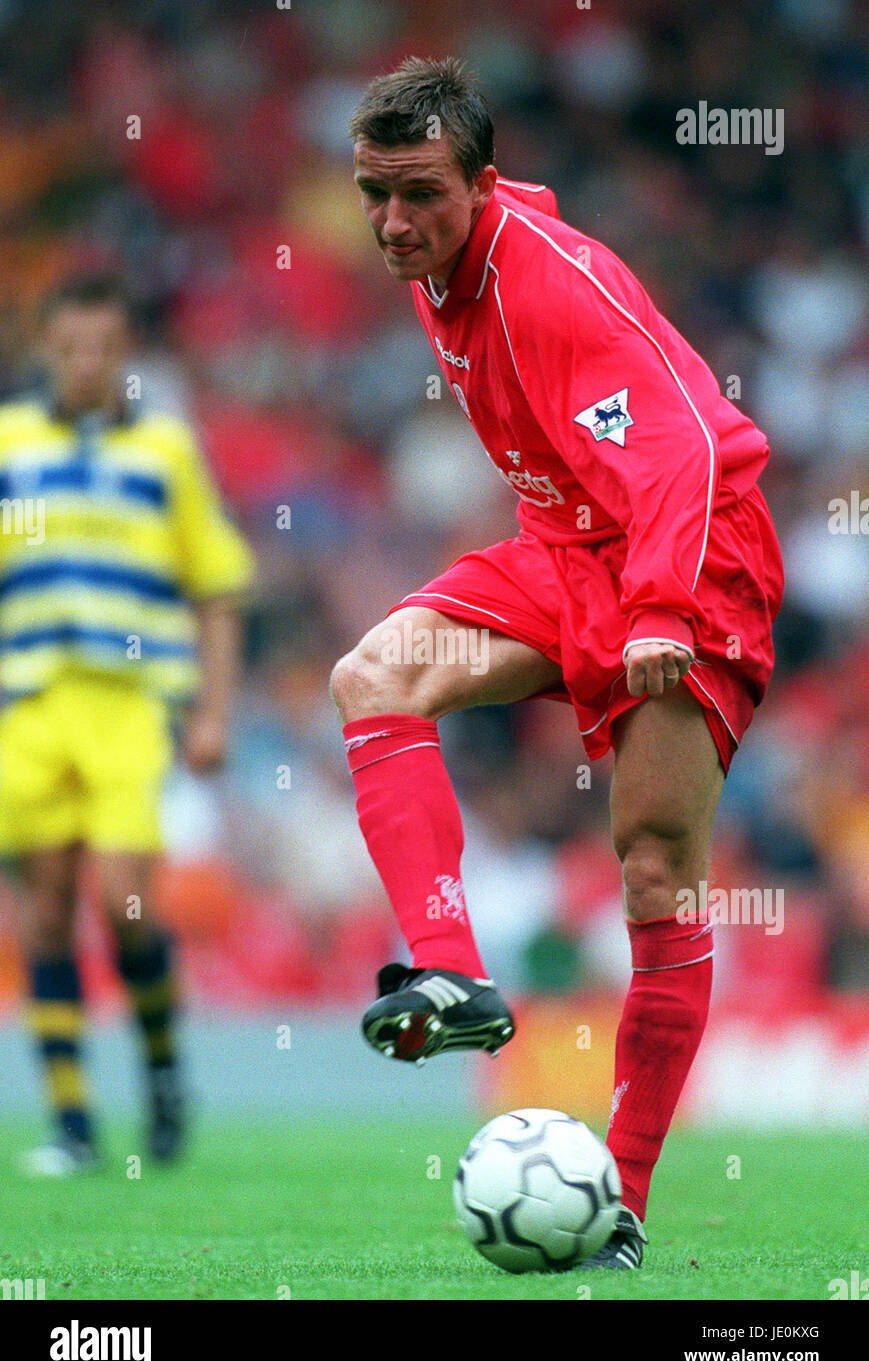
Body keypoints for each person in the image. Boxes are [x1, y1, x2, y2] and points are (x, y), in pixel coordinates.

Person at [331, 57, 785, 1269]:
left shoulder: (548, 281)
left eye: (418, 193)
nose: (391, 222)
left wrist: (657, 609)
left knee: (652, 869)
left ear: (479, 183)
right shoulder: (436, 263)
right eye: (372, 191)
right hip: (561, 549)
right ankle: (449, 975)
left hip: (686, 555)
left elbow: (684, 444)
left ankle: (619, 1196)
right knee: (371, 677)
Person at [0, 273, 253, 1175]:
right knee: (46, 911)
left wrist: (213, 711)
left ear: (126, 354)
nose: (85, 364)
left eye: (103, 349)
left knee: (123, 901)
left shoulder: (164, 452)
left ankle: (162, 1072)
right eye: (69, 348)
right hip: (27, 704)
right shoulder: (9, 445)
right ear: (45, 350)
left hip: (127, 702)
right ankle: (72, 1122)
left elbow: (217, 586)